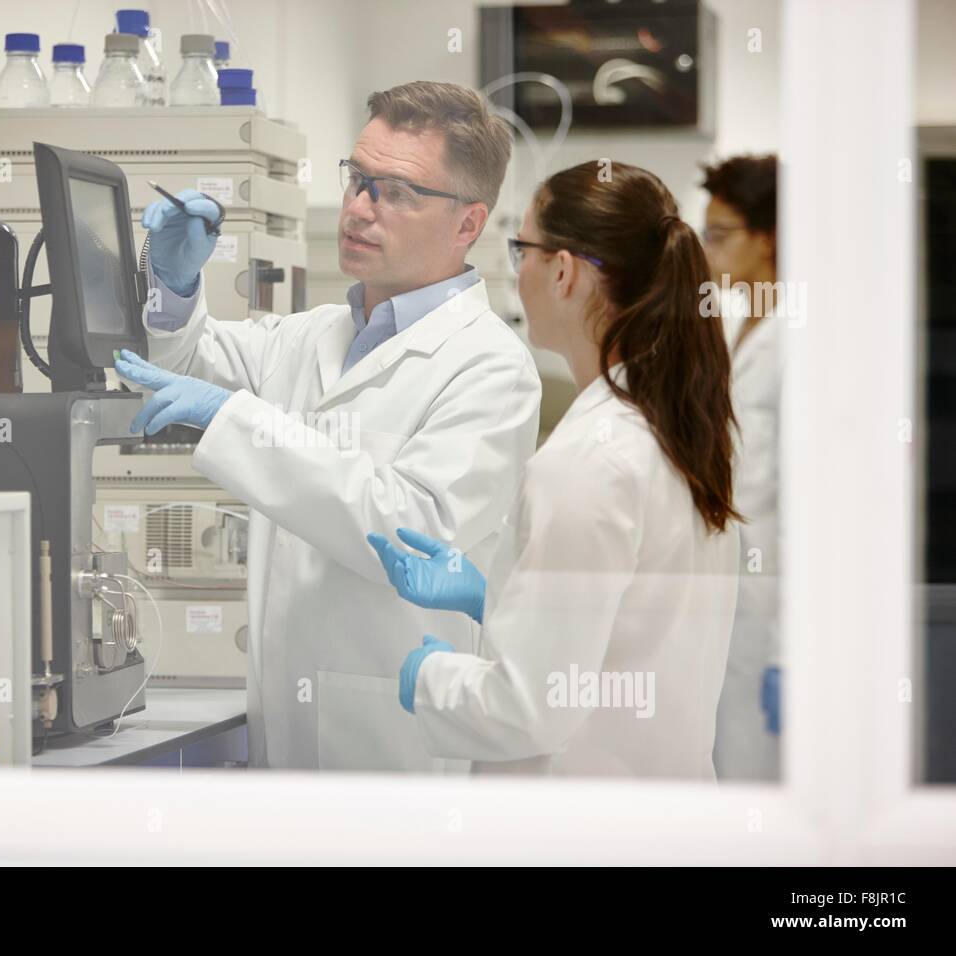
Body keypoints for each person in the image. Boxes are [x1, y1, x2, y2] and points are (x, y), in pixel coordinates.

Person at [113, 81, 542, 771]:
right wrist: (173, 284)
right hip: (283, 728)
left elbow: (411, 527)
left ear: (469, 224)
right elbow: (179, 364)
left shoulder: (491, 368)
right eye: (357, 179)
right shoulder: (314, 335)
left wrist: (234, 418)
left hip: (392, 750)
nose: (359, 208)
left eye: (396, 192)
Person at [368, 161, 741, 778]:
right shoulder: (675, 429)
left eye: (523, 250)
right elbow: (623, 624)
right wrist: (496, 598)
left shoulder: (589, 460)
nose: (517, 273)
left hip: (581, 820)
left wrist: (430, 677)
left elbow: (529, 707)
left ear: (563, 270)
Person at [701, 154, 782, 781]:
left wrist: (792, 650)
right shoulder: (732, 326)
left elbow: (814, 511)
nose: (708, 248)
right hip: (728, 598)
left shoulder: (801, 343)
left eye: (721, 234)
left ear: (770, 239)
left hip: (773, 608)